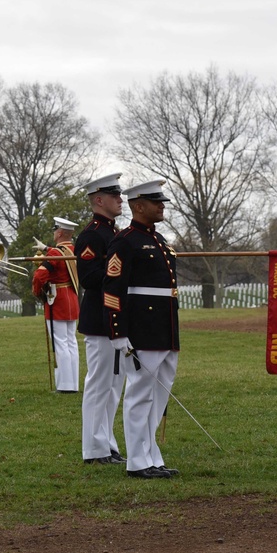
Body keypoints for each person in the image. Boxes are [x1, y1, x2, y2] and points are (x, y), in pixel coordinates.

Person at [103, 180, 180, 480]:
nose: (162, 205)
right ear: (138, 206)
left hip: (165, 329)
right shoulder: (125, 241)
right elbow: (112, 290)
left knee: (158, 397)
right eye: (155, 201)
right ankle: (137, 460)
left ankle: (152, 456)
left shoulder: (159, 240)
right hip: (142, 329)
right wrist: (118, 332)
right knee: (139, 394)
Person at [75, 172, 127, 465]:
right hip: (99, 320)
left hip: (115, 320)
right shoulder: (92, 235)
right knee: (99, 384)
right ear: (99, 200)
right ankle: (94, 449)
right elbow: (89, 278)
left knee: (114, 385)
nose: (120, 200)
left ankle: (107, 444)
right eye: (114, 195)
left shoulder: (114, 234)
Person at [32, 216, 81, 393]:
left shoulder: (55, 253)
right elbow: (59, 253)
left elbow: (39, 276)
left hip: (57, 299)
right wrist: (45, 248)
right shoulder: (72, 249)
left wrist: (38, 292)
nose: (54, 233)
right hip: (71, 298)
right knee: (71, 342)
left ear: (59, 232)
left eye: (55, 230)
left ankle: (65, 385)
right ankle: (73, 382)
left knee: (60, 343)